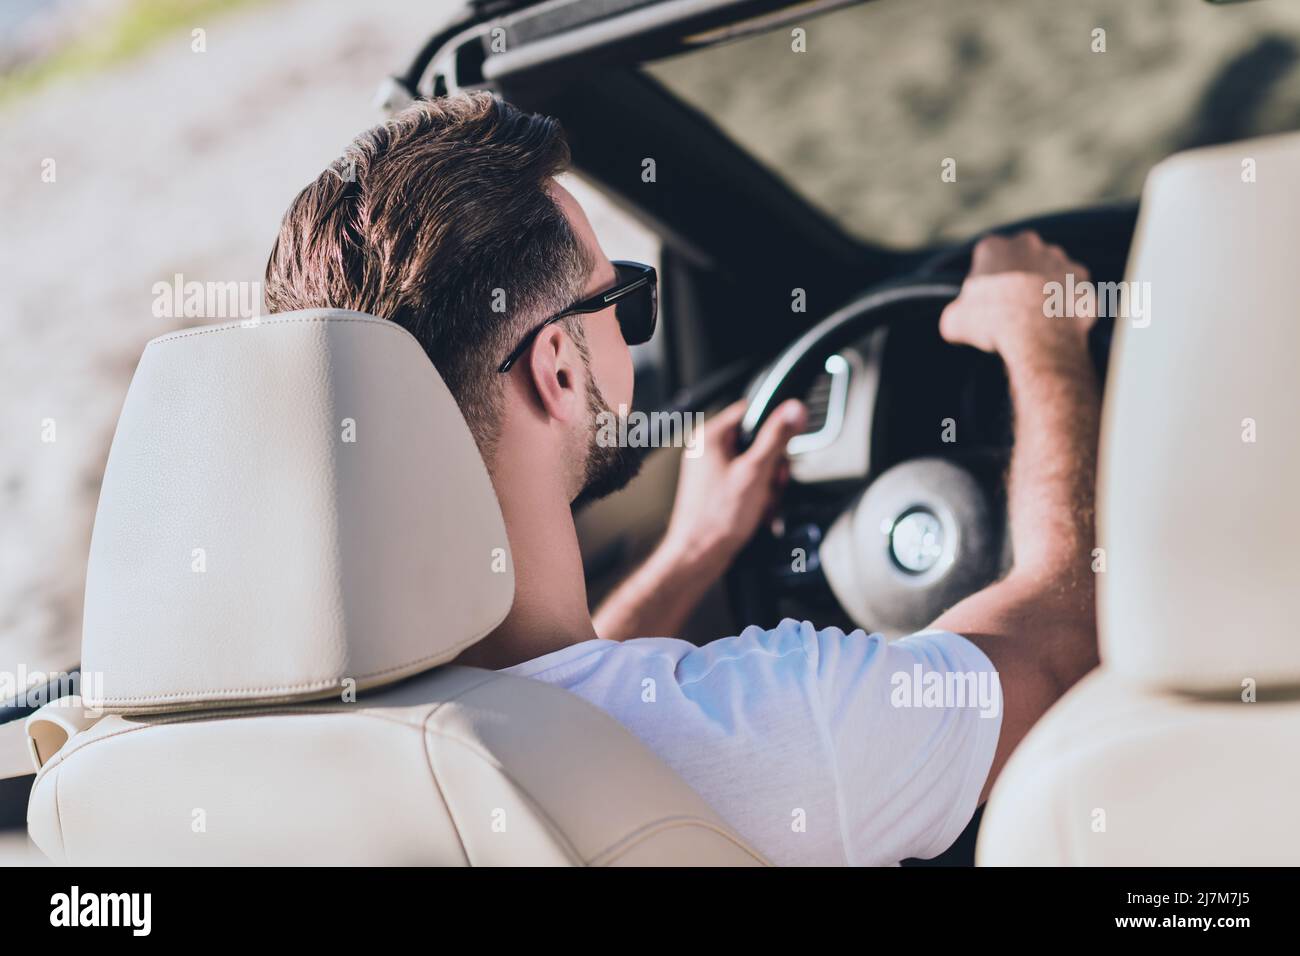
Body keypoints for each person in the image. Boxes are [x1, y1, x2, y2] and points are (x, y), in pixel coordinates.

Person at [265, 93, 1101, 865]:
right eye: (622, 299)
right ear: (557, 370)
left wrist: (692, 551)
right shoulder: (766, 735)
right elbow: (1060, 655)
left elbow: (539, 700)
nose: (632, 329)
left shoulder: (274, 757)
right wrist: (1044, 347)